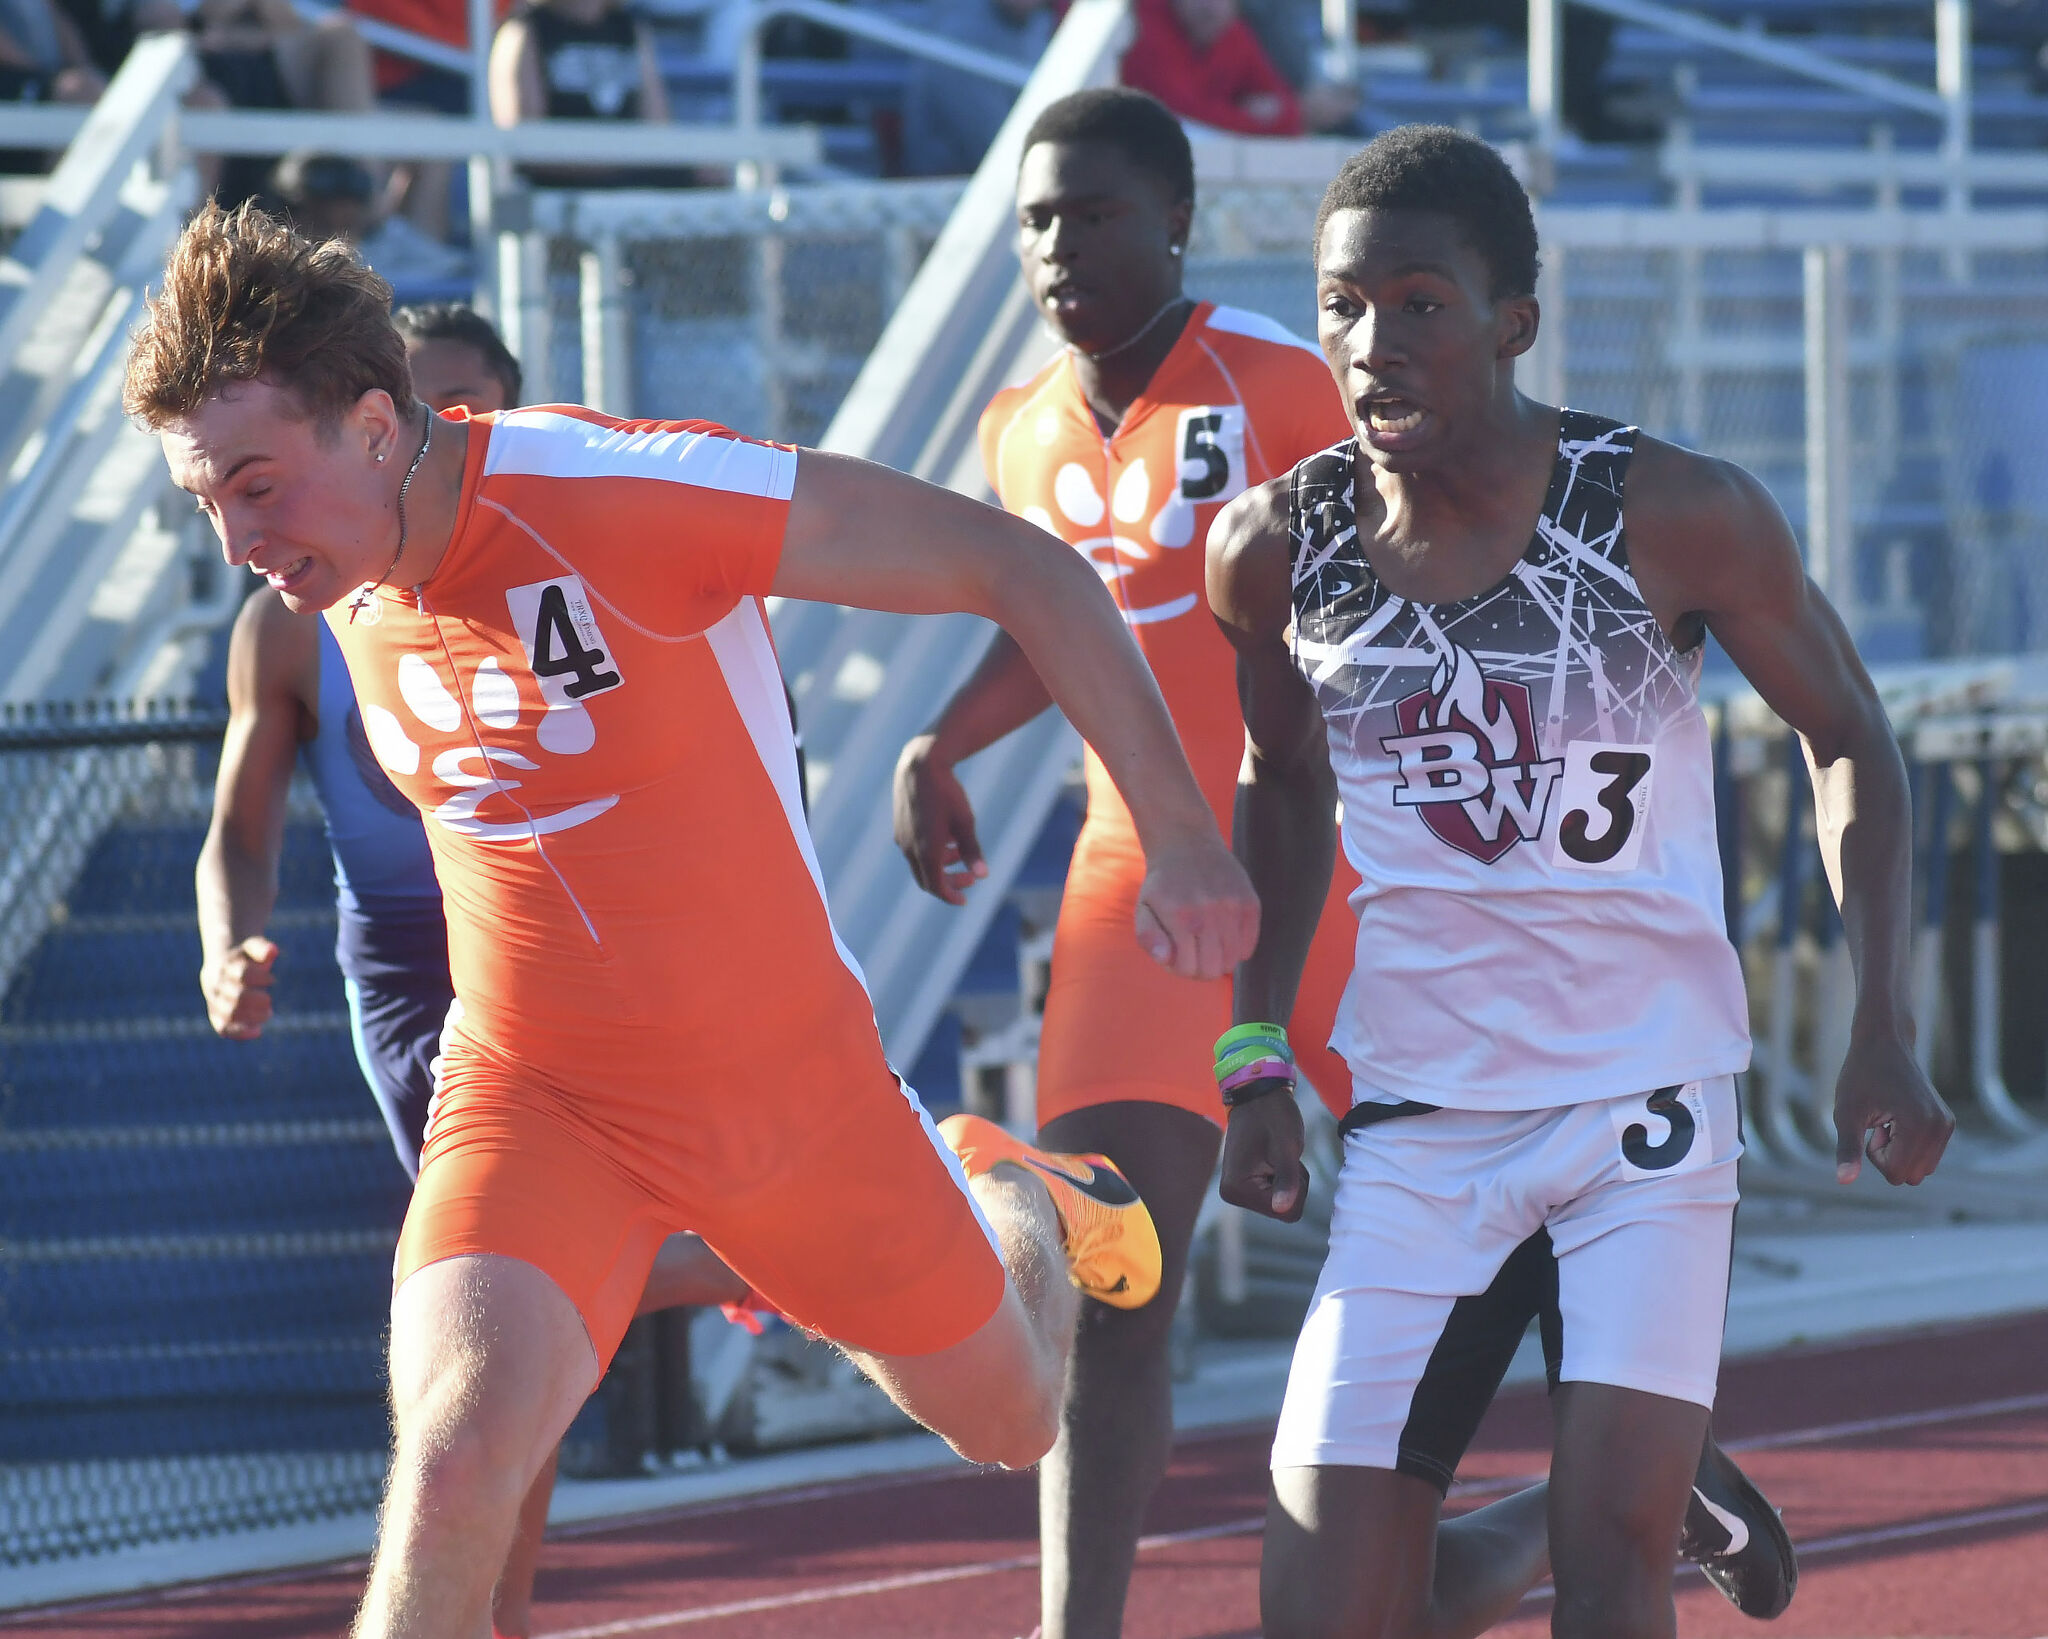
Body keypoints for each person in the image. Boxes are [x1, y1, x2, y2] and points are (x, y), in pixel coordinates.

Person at [132, 199, 1253, 1639]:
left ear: (369, 424)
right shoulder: (332, 578)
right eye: (204, 502)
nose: (235, 540)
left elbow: (1024, 566)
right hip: (536, 1096)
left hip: (788, 1092)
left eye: (255, 485)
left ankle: (1007, 1184)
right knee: (458, 1455)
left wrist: (1175, 833)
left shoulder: (613, 493)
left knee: (1018, 1418)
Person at [895, 89, 1787, 1639]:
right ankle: (1074, 1626)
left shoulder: (1289, 377)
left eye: (1095, 213)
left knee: (1550, 1267)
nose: (1061, 246)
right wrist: (939, 744)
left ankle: (1639, 1464)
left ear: (1174, 220)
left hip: (1371, 890)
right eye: (1038, 220)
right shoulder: (1018, 426)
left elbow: (1414, 537)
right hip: (1147, 878)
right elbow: (1062, 632)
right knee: (1120, 1278)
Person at [1206, 124, 1953, 1639]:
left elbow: (1850, 736)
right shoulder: (1278, 550)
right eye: (1343, 307)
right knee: (1333, 1612)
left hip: (1646, 1109)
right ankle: (1618, 1495)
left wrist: (1887, 1016)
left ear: (1512, 322)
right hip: (1423, 1125)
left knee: (1614, 1580)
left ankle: (1619, 1500)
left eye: (1419, 302)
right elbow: (1278, 786)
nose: (1371, 343)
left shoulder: (1670, 511)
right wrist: (1251, 1046)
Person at [194, 302, 750, 1639]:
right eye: (398, 409)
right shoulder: (289, 623)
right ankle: (774, 1256)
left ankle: (501, 1608)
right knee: (492, 1298)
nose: (419, 444)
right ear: (355, 421)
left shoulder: (548, 564)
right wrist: (228, 940)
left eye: (460, 411)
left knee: (499, 1310)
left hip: (566, 931)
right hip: (408, 967)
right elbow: (238, 827)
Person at [1122, 0, 1354, 138]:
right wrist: (1252, 119)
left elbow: (1288, 110)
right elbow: (1177, 114)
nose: (1209, 7)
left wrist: (1281, 116)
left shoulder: (1232, 33)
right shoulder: (1144, 28)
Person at [891, 0, 1054, 178]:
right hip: (950, 189)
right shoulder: (958, 41)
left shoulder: (1038, 23)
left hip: (1015, 178)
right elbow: (994, 149)